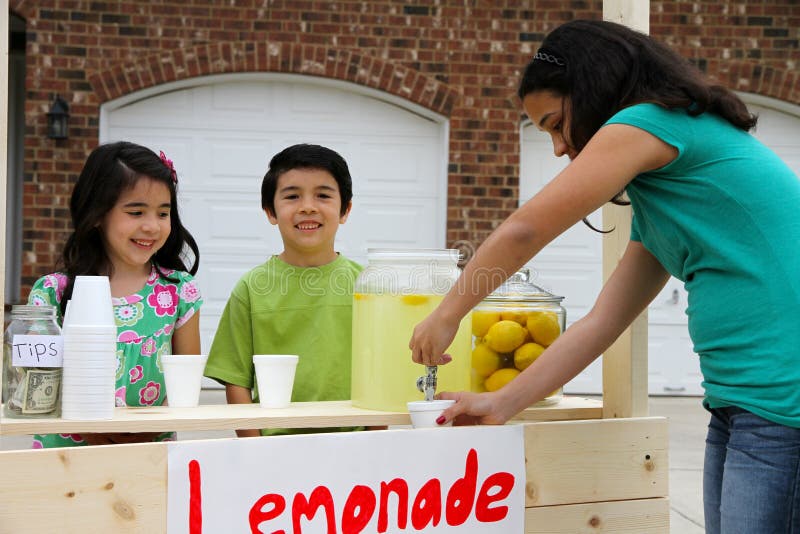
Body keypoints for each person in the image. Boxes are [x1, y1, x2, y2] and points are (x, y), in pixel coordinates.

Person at [409, 19, 800, 534]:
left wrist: (447, 313)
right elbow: (603, 321)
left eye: (554, 124)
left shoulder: (649, 122)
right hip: (738, 401)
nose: (555, 148)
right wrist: (502, 404)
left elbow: (526, 230)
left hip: (782, 401)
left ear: (592, 91)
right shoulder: (664, 204)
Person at [28, 141, 203, 448]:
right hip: (65, 460)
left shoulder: (179, 291)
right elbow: (33, 386)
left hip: (148, 456)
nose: (152, 226)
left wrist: (144, 428)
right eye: (136, 212)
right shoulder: (51, 294)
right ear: (96, 214)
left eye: (163, 213)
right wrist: (89, 429)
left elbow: (185, 388)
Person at [204, 143, 363, 437]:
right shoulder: (250, 288)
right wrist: (256, 450)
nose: (307, 206)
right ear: (270, 211)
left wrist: (375, 440)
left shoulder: (367, 288)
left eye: (323, 195)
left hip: (354, 446)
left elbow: (377, 374)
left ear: (345, 209)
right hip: (273, 451)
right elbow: (236, 381)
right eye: (292, 196)